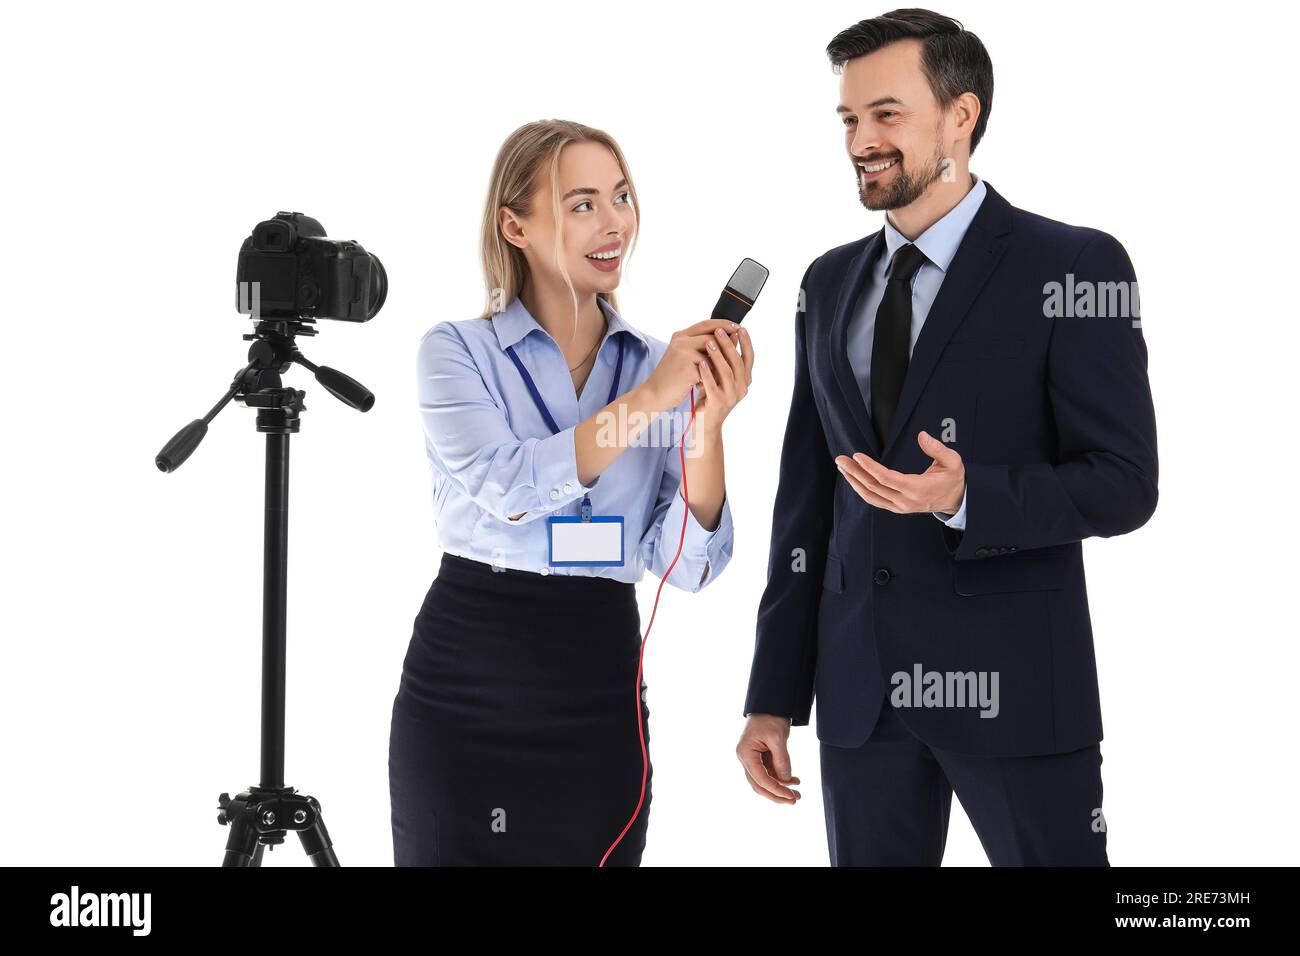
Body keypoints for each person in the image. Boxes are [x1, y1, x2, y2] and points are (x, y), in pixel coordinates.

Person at [738, 10, 1157, 866]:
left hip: (1016, 692)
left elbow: (1124, 482)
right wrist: (773, 695)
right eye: (850, 120)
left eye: (886, 115)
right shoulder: (826, 281)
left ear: (960, 116)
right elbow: (804, 507)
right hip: (858, 701)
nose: (861, 140)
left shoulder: (1073, 267)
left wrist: (971, 498)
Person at [390, 119, 754, 866]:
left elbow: (687, 566)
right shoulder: (456, 351)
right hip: (469, 688)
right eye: (583, 203)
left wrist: (705, 426)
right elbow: (510, 488)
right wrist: (654, 399)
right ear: (513, 224)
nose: (615, 221)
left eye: (622, 197)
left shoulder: (660, 365)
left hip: (598, 694)